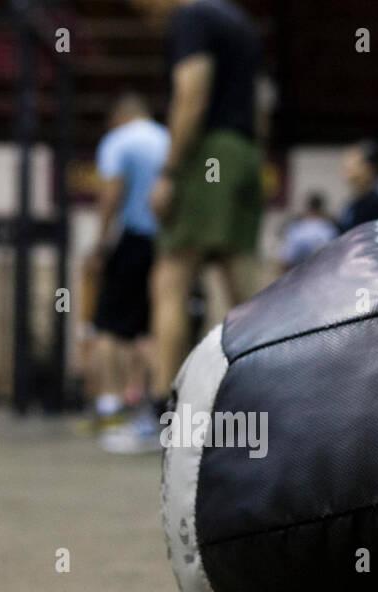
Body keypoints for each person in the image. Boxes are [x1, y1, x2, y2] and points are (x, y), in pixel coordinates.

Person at [108, 0, 267, 453]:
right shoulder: (239, 21)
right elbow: (259, 106)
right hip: (245, 154)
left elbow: (191, 92)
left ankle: (164, 414)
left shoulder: (191, 19)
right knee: (243, 286)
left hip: (210, 153)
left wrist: (172, 172)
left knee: (170, 280)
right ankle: (271, 402)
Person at [85, 93, 169, 432]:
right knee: (155, 327)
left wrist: (101, 243)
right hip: (167, 245)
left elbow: (111, 194)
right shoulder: (168, 139)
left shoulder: (117, 141)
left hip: (133, 239)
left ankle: (110, 402)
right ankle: (153, 404)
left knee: (108, 326)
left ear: (120, 116)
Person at [336, 139, 378, 234]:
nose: (346, 165)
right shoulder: (356, 201)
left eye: (353, 161)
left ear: (370, 167)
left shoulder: (373, 205)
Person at [278, 192, 338, 271]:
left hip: (297, 274)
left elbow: (286, 260)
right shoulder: (329, 229)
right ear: (321, 207)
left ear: (307, 207)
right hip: (320, 273)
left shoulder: (296, 228)